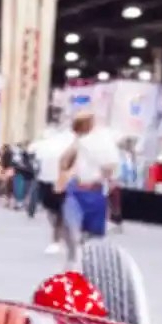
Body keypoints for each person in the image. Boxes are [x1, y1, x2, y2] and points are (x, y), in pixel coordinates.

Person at [59, 112, 120, 268]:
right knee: (75, 231)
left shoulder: (100, 141)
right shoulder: (82, 142)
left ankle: (82, 263)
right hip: (82, 190)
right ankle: (74, 262)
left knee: (90, 236)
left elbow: (110, 166)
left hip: (90, 190)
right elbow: (64, 162)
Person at [31, 122, 77, 255]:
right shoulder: (48, 147)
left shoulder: (66, 147)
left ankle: (57, 239)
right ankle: (60, 235)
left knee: (59, 212)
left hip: (57, 181)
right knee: (54, 211)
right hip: (50, 180)